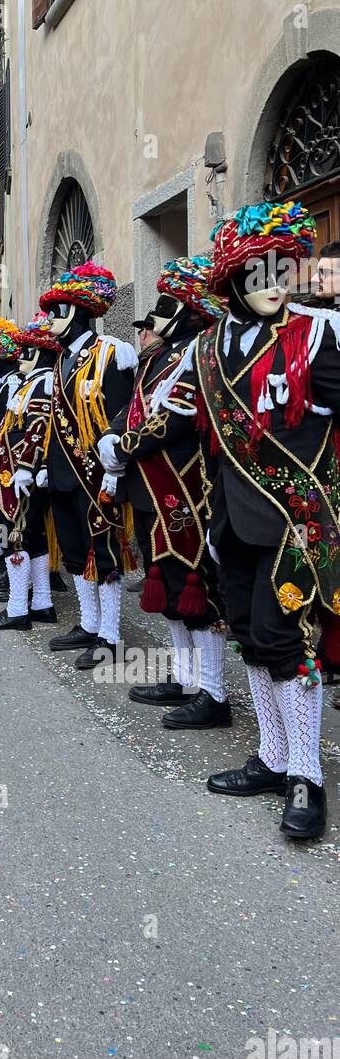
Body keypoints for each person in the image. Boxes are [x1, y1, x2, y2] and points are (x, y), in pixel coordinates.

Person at [194, 201, 340, 840]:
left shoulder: (316, 334)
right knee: (251, 638)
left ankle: (307, 776)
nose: (275, 281)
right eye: (259, 270)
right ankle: (274, 757)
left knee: (288, 645)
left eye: (283, 268)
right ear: (233, 279)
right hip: (233, 522)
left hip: (295, 525)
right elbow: (207, 441)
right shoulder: (206, 349)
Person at [99, 257, 230, 727]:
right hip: (149, 488)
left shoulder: (197, 353)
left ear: (188, 309)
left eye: (165, 305)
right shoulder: (160, 356)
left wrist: (123, 447)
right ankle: (185, 677)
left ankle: (214, 693)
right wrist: (110, 435)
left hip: (185, 489)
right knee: (170, 587)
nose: (153, 318)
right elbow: (133, 408)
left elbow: (173, 419)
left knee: (197, 589)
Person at [40, 262, 139, 669]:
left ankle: (110, 636)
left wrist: (115, 473)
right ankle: (89, 622)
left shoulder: (111, 353)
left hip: (97, 473)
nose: (50, 320)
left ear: (78, 311)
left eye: (57, 311)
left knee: (105, 553)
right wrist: (46, 464)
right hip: (63, 471)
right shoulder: (60, 360)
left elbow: (123, 413)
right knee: (75, 551)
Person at [0, 318, 61, 630]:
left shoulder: (41, 383)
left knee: (17, 537)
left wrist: (28, 467)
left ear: (42, 354)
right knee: (34, 537)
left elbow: (38, 430)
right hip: (13, 475)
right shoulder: (33, 382)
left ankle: (17, 610)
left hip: (21, 478)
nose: (21, 356)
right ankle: (42, 603)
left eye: (28, 350)